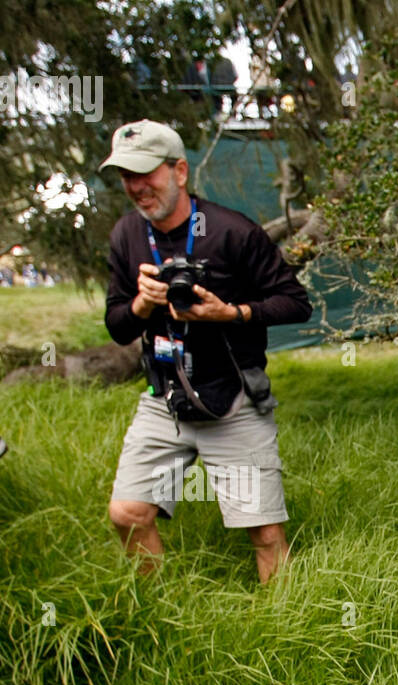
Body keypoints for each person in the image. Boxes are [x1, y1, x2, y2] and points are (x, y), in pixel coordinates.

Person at [102, 119, 312, 583]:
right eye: (126, 176)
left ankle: (284, 631)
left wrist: (231, 313)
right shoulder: (126, 235)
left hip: (234, 399)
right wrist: (140, 304)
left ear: (179, 171)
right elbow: (117, 326)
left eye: (146, 173)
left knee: (264, 532)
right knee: (127, 513)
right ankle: (159, 611)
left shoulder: (231, 231)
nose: (137, 187)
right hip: (166, 400)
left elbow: (296, 304)